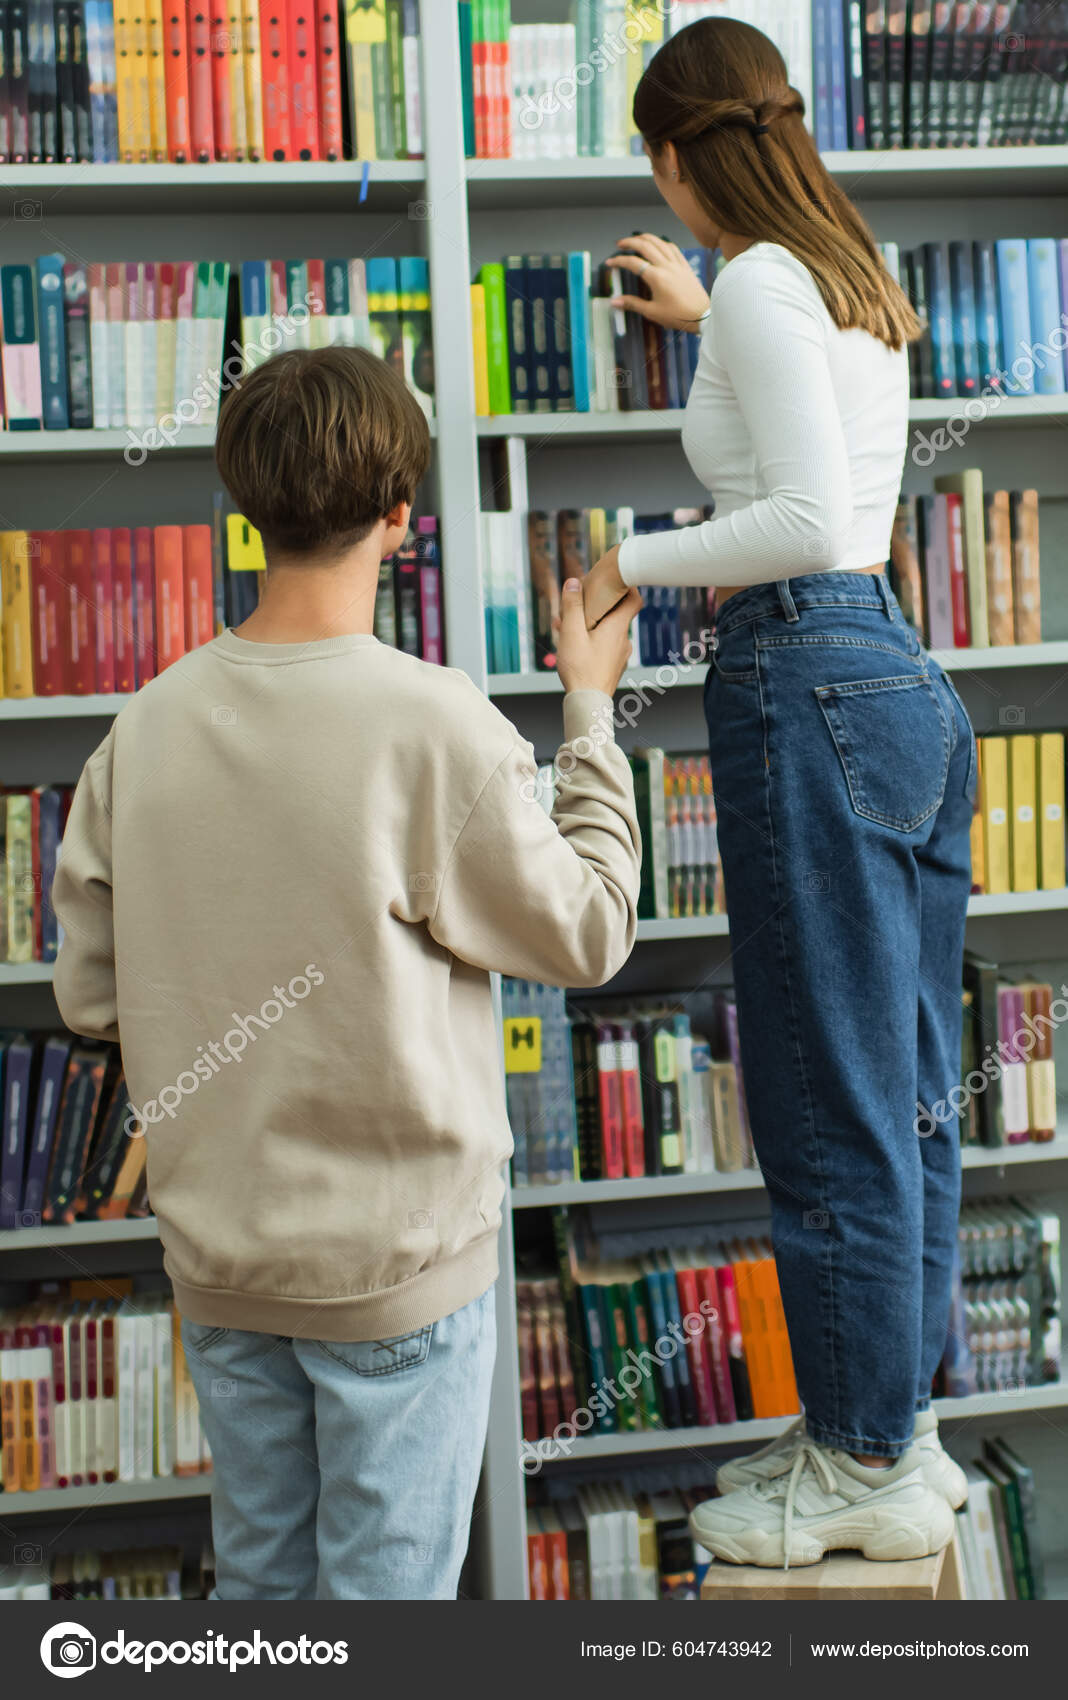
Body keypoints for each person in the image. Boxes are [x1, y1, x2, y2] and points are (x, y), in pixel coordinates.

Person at [53, 344, 643, 1600]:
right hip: (396, 1277)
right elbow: (589, 933)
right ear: (400, 518)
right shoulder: (437, 723)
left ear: (246, 507)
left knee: (264, 1597)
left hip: (222, 1267)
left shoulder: (141, 728)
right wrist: (589, 710)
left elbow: (92, 999)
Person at [583, 16, 974, 1569]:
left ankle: (861, 1457)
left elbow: (804, 517)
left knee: (826, 1102)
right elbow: (824, 470)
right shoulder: (840, 269)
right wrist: (707, 315)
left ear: (679, 155)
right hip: (895, 681)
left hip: (803, 670)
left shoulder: (757, 277)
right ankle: (896, 1431)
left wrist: (625, 563)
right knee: (913, 1093)